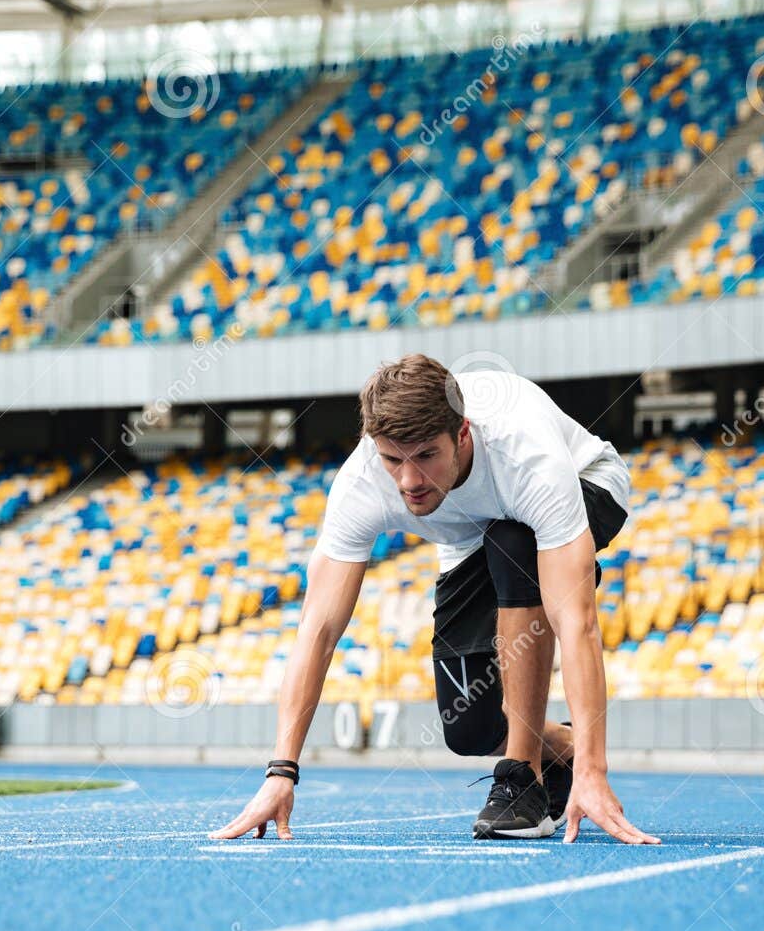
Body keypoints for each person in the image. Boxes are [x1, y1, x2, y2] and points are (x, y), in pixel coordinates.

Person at [210, 354, 658, 845]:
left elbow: (576, 622)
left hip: (588, 482)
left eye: (426, 455)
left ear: (462, 435)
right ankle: (561, 749)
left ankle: (522, 781)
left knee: (512, 542)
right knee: (468, 728)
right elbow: (317, 629)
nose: (408, 481)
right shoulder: (362, 482)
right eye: (392, 459)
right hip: (469, 534)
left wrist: (595, 769)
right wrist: (281, 771)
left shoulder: (527, 457)